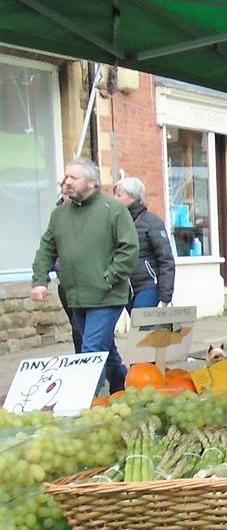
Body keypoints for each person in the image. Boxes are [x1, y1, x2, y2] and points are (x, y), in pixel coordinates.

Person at [31, 158, 139, 394]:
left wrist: (108, 279)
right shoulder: (59, 215)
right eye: (66, 177)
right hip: (75, 297)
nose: (67, 182)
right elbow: (46, 249)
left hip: (107, 297)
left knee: (90, 351)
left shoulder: (114, 210)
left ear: (92, 182)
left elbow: (129, 250)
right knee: (104, 349)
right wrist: (40, 280)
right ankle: (121, 386)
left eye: (74, 178)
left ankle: (82, 403)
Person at [113, 177, 176, 311]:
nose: (115, 199)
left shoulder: (152, 222)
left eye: (119, 195)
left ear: (133, 196)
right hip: (125, 287)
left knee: (140, 324)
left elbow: (166, 259)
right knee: (142, 327)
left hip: (148, 285)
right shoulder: (116, 222)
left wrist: (166, 296)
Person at [53, 178, 83, 354]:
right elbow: (50, 247)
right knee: (76, 326)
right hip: (66, 283)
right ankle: (81, 364)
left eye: (67, 194)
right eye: (62, 194)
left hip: (88, 282)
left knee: (88, 330)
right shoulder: (58, 217)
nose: (63, 198)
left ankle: (101, 371)